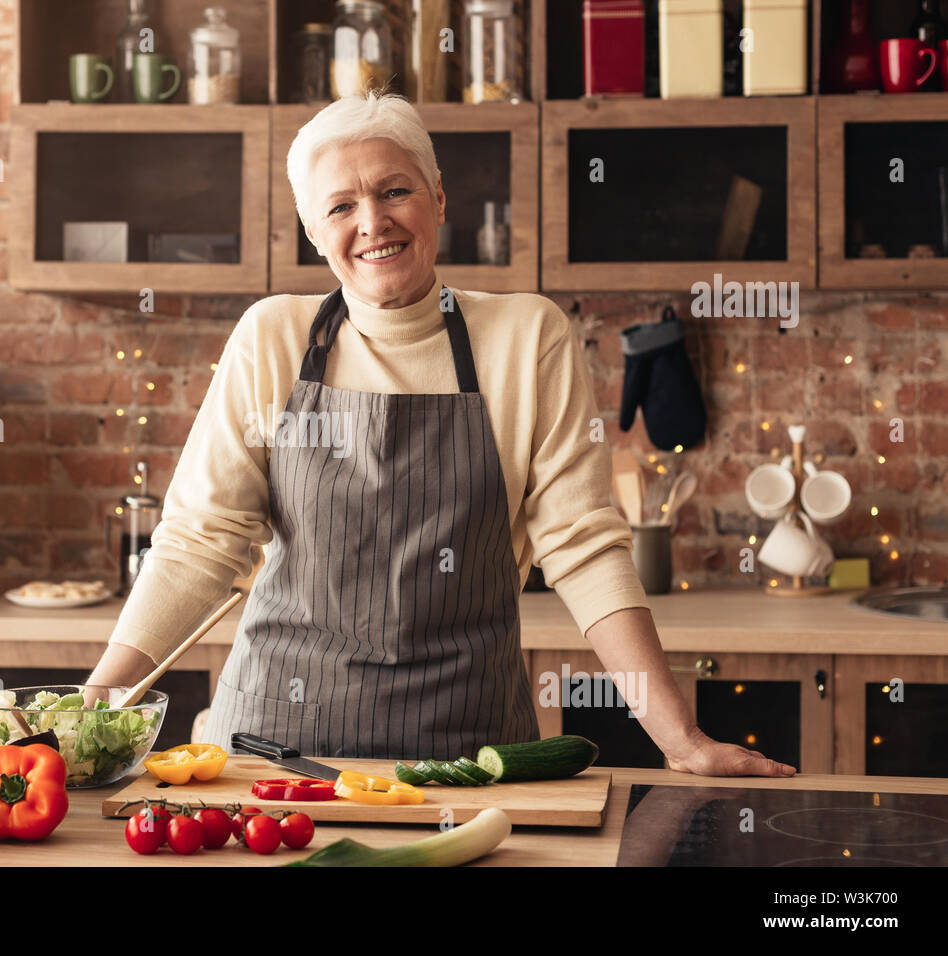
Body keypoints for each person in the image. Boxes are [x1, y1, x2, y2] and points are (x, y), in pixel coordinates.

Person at [88, 91, 794, 775]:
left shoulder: (527, 337)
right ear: (313, 232)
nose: (372, 222)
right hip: (273, 753)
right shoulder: (271, 336)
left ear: (438, 198)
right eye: (341, 206)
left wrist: (681, 739)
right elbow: (198, 543)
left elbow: (581, 548)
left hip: (469, 751)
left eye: (394, 191)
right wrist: (95, 703)